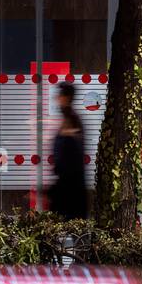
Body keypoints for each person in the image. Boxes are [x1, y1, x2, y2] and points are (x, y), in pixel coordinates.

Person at [47, 82, 91, 220]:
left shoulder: (73, 121)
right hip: (67, 190)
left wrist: (53, 190)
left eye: (59, 96)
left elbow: (72, 159)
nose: (56, 99)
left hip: (70, 192)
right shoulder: (68, 120)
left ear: (66, 97)